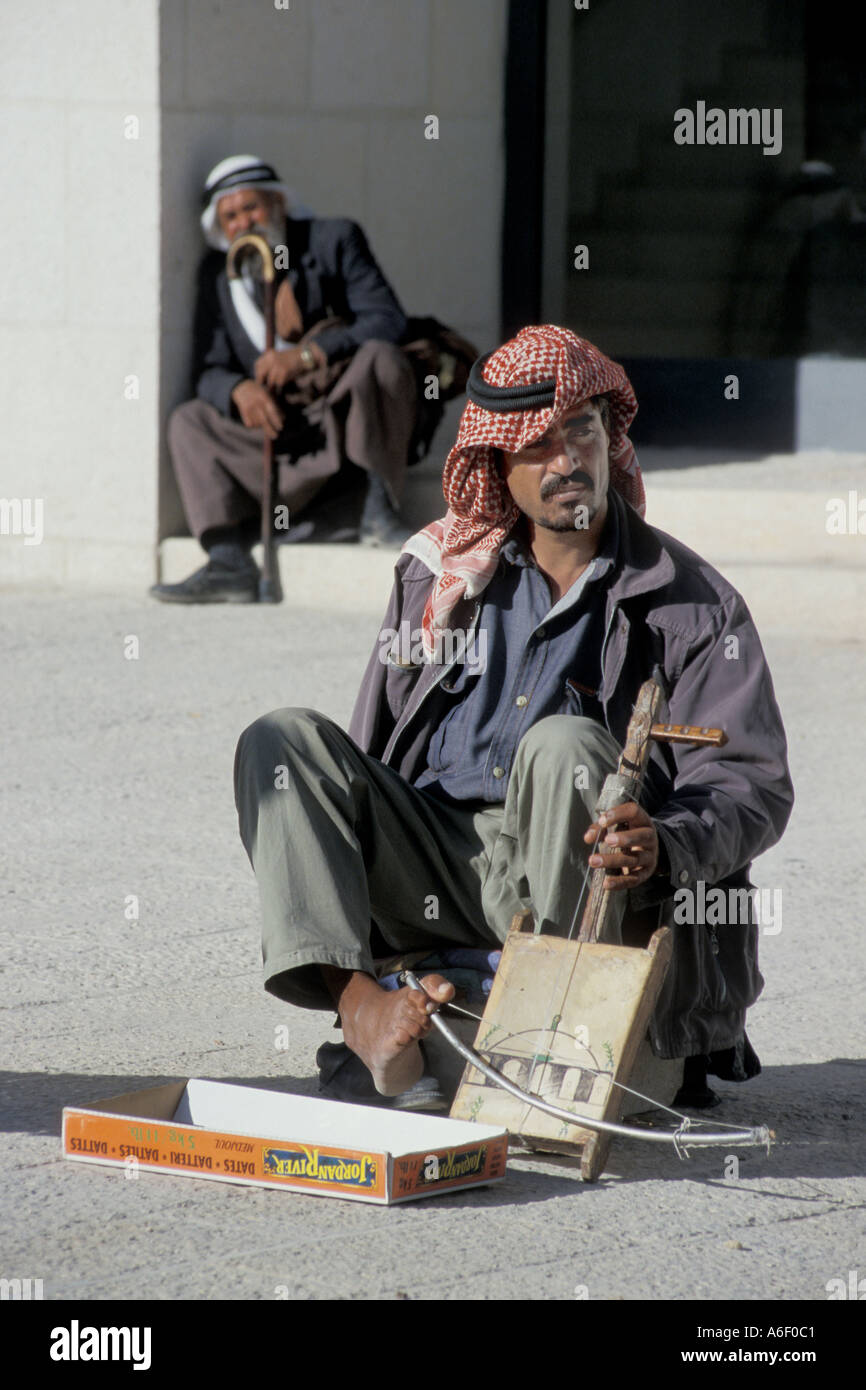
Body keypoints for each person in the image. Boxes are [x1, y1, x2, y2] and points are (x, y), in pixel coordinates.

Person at [234, 325, 794, 1107]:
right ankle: (365, 1011)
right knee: (284, 743)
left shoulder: (692, 603)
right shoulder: (439, 578)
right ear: (494, 462)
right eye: (536, 444)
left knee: (563, 744)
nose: (568, 461)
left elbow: (752, 787)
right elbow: (369, 762)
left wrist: (665, 845)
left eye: (583, 433)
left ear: (609, 439)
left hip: (591, 890)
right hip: (443, 860)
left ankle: (537, 1027)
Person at [151, 155, 417, 604]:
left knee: (382, 358)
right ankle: (228, 559)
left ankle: (377, 508)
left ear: (277, 202)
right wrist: (238, 390)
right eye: (230, 216)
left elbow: (387, 319)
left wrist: (308, 355)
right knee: (189, 421)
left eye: (251, 208)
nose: (243, 223)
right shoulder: (218, 275)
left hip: (342, 411)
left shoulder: (333, 240)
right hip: (276, 429)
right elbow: (208, 369)